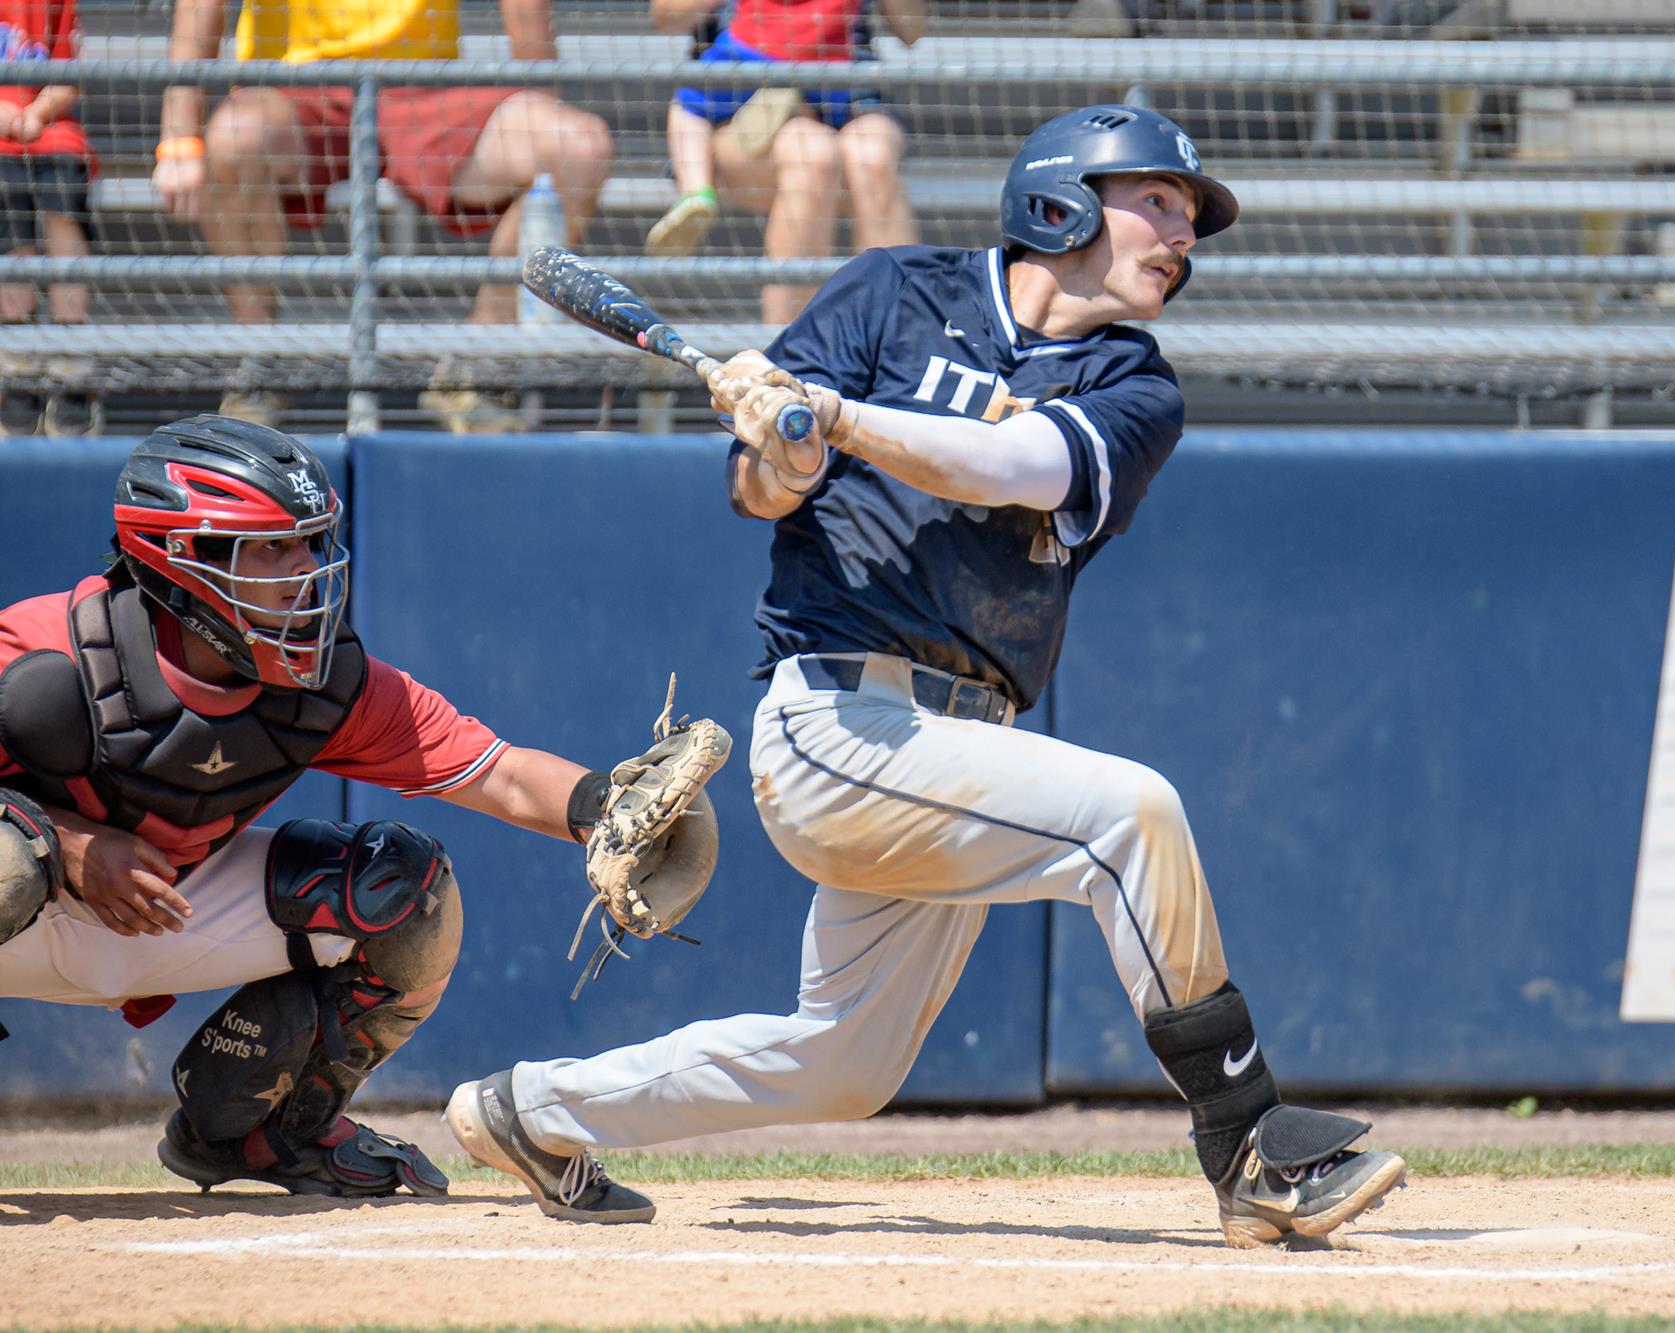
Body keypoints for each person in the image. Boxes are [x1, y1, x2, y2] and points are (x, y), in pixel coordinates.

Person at [448, 105, 1409, 1248]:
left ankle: (526, 1111)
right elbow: (759, 490)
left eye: (1189, 216)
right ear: (1058, 202)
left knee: (843, 1061)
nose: (1180, 232)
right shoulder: (891, 294)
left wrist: (841, 421)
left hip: (960, 750)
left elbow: (1017, 463)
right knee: (1130, 817)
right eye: (1154, 199)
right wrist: (784, 450)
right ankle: (1247, 1145)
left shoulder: (1133, 387)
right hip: (838, 725)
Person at [0, 415, 666, 1218]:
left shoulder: (320, 684)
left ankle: (261, 1132)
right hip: (30, 920)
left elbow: (501, 773)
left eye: (312, 543)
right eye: (273, 547)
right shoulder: (46, 649)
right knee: (12, 858)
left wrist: (608, 810)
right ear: (186, 558)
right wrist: (71, 842)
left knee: (406, 890)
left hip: (164, 909)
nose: (306, 569)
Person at [150, 0, 613, 432]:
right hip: (292, 84)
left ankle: (478, 360)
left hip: (424, 83)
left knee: (576, 149)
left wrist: (542, 101)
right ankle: (261, 359)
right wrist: (178, 136)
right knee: (233, 138)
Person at [645, 0, 923, 323]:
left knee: (872, 157)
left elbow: (913, 31)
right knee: (812, 154)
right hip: (742, 98)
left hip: (846, 90)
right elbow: (665, 16)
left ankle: (900, 343)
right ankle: (792, 358)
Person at [0, 0, 99, 435]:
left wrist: (36, 113)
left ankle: (70, 362)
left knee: (63, 202)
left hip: (50, 127)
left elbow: (67, 77)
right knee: (10, 224)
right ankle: (17, 367)